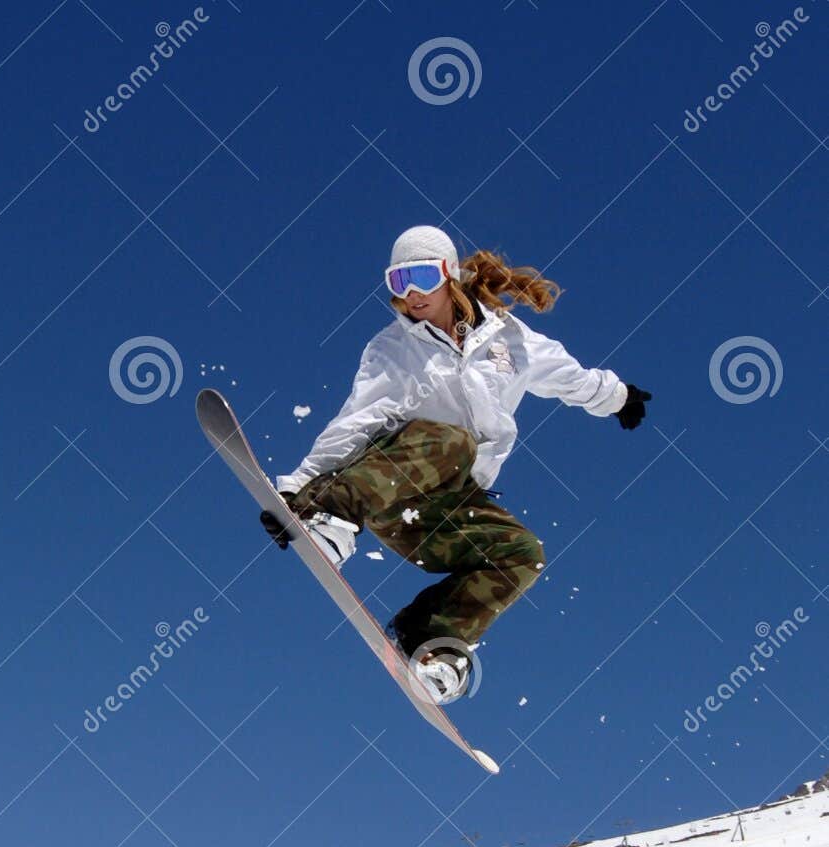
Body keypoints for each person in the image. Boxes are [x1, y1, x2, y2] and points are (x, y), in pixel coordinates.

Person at [262, 225, 650, 702]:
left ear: (448, 274)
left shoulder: (508, 338)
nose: (411, 294)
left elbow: (565, 374)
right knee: (452, 441)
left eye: (421, 277)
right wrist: (299, 491)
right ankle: (333, 517)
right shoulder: (394, 349)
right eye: (398, 282)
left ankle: (430, 640)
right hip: (386, 488)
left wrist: (616, 396)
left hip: (436, 514)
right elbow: (356, 420)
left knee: (522, 554)